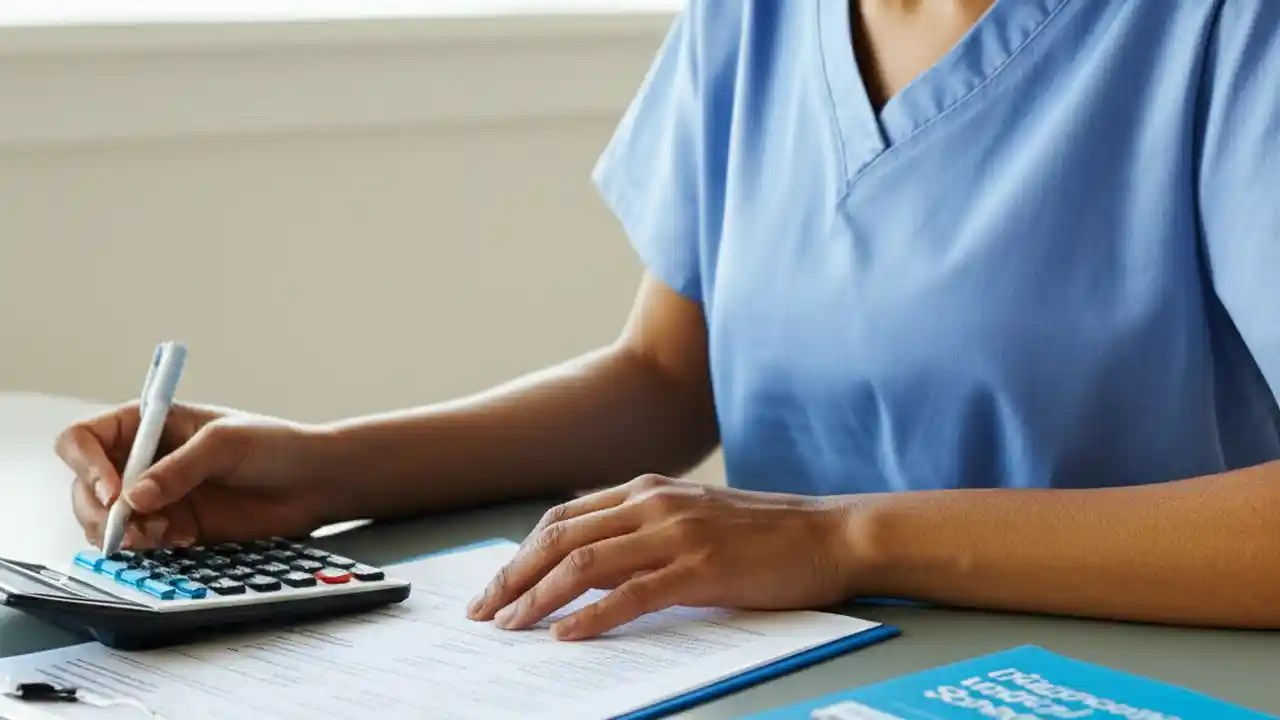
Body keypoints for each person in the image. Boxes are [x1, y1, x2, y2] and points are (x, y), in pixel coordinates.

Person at [59, 0, 1280, 641]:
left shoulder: (1225, 29)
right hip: (775, 673)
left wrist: (840, 540)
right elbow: (665, 374)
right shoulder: (751, 15)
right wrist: (325, 466)